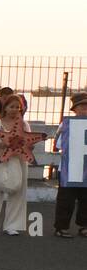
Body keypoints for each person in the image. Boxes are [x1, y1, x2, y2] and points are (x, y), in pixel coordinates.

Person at [0, 93, 44, 235]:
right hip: (0, 158)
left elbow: (30, 145)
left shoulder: (24, 125)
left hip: (19, 159)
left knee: (19, 190)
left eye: (18, 107)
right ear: (5, 108)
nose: (15, 109)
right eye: (11, 106)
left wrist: (27, 144)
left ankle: (12, 225)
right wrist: (1, 145)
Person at [53, 92, 87, 238]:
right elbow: (59, 145)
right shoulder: (66, 124)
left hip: (85, 169)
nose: (86, 109)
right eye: (83, 107)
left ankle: (84, 226)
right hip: (68, 169)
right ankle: (61, 227)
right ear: (75, 109)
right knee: (66, 199)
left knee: (86, 199)